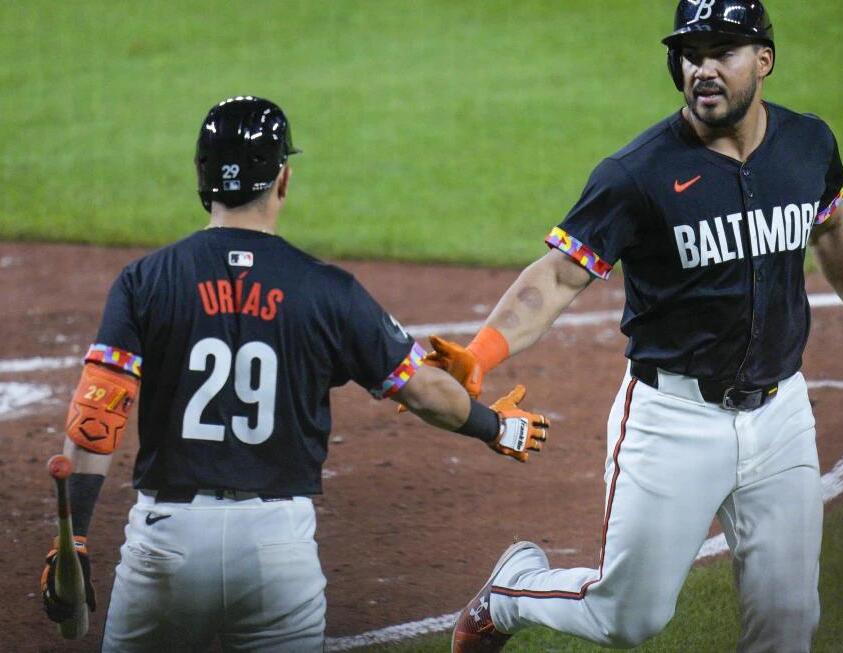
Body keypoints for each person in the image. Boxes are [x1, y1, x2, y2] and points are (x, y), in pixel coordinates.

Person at [39, 95, 550, 652]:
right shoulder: (327, 290)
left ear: (201, 176)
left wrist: (77, 539)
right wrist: (496, 427)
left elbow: (96, 419)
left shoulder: (145, 281)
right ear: (283, 179)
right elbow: (425, 392)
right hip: (277, 549)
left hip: (166, 545)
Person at [443, 2, 843, 652]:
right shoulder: (638, 174)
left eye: (722, 51)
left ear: (764, 60)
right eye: (691, 53)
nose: (703, 68)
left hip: (781, 416)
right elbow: (559, 276)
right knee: (626, 616)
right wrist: (480, 353)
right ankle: (510, 592)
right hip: (674, 421)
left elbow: (833, 224)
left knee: (788, 627)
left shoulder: (807, 145)